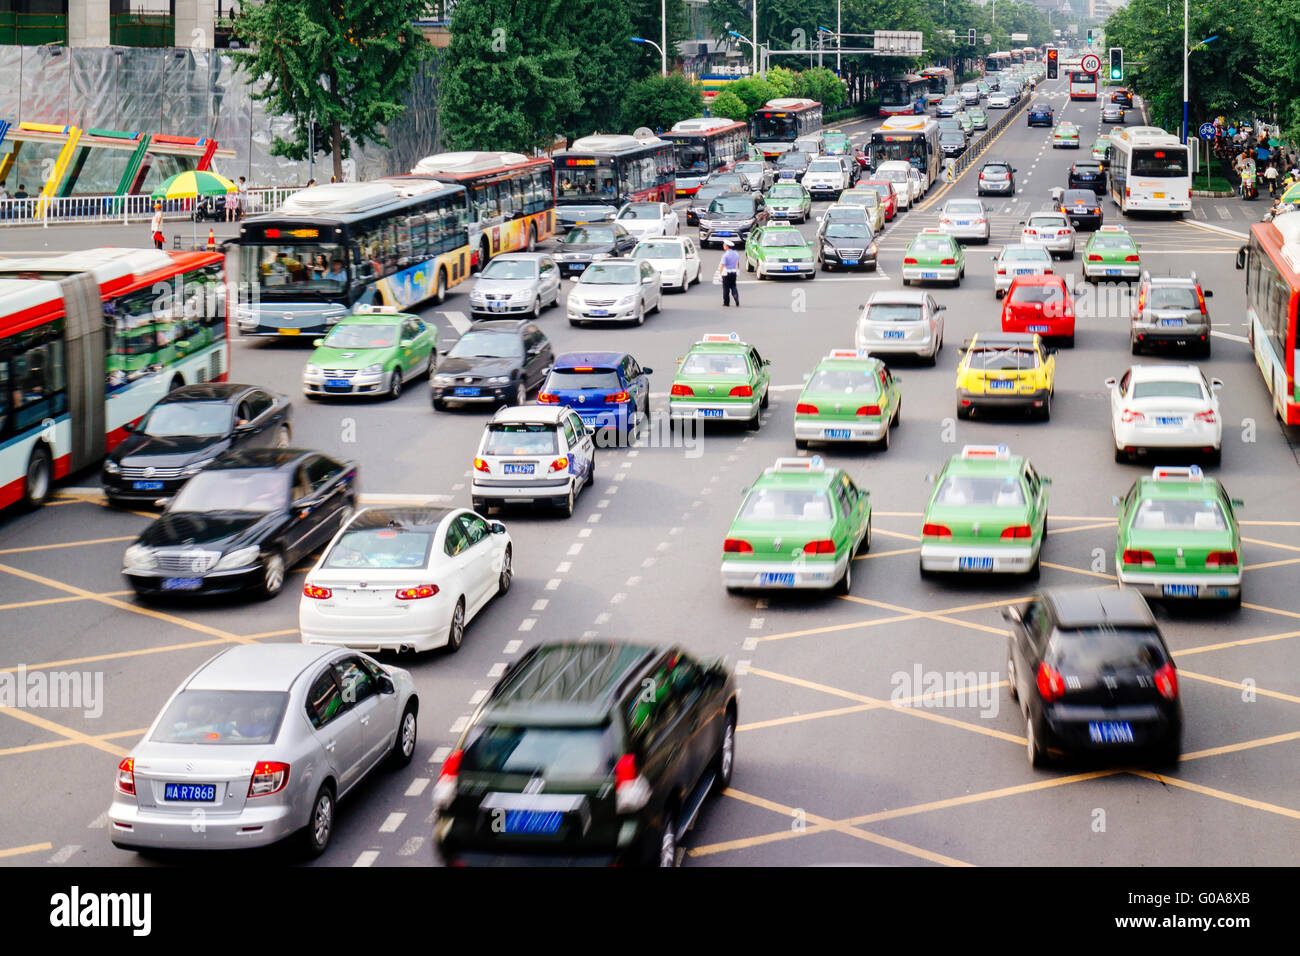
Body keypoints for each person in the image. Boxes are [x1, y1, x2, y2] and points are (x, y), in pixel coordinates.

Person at [717, 239, 740, 307]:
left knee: (726, 288)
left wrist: (720, 274)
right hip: (734, 272)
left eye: (724, 245)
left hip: (726, 273)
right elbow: (738, 263)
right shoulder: (736, 254)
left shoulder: (725, 255)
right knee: (733, 286)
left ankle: (726, 303)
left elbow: (722, 265)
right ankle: (736, 296)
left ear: (727, 246)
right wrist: (738, 270)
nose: (723, 246)